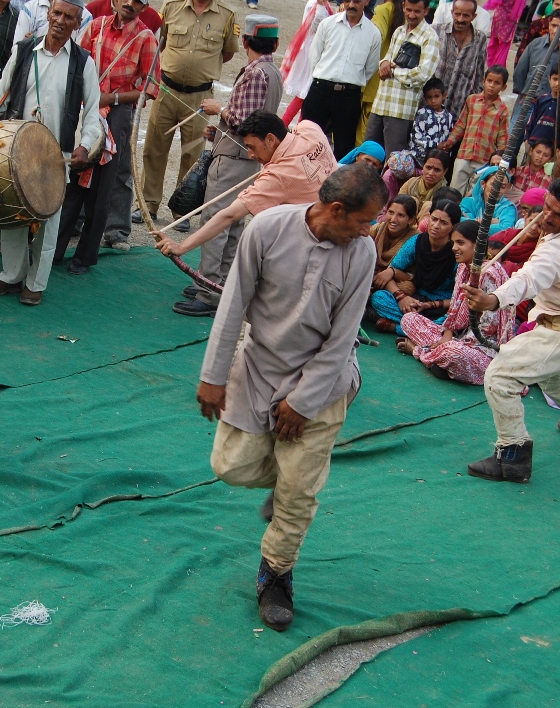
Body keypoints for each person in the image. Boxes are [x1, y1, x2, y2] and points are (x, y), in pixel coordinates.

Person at [197, 163, 385, 631]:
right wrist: (213, 375)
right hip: (259, 366)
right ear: (336, 210)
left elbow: (343, 340)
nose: (368, 231)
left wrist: (303, 401)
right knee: (231, 466)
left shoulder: (361, 252)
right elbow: (234, 303)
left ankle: (276, 573)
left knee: (300, 489)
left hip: (326, 382)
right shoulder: (268, 228)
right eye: (363, 221)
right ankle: (287, 490)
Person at [463, 169, 560, 483]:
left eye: (557, 215)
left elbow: (527, 280)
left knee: (500, 377)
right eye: (546, 205)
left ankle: (514, 454)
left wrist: (492, 300)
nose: (546, 216)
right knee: (555, 381)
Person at [0, 0, 100, 306]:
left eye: (68, 17)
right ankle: (11, 275)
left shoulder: (84, 63)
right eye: (56, 13)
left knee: (48, 220)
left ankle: (36, 282)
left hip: (56, 154)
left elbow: (93, 114)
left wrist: (85, 145)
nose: (59, 21)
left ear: (77, 22)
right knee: (15, 211)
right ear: (48, 13)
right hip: (17, 147)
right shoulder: (26, 49)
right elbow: (2, 87)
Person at [161, 19, 284, 316]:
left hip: (234, 160)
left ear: (245, 43)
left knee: (216, 223)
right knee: (232, 225)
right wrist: (220, 130)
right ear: (276, 45)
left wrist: (220, 111)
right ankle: (219, 284)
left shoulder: (255, 72)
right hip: (245, 157)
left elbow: (248, 123)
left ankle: (208, 291)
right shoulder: (273, 72)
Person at [53, 0, 158, 276]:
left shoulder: (146, 38)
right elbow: (76, 62)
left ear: (143, 6)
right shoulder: (96, 27)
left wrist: (111, 97)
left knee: (101, 188)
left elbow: (150, 88)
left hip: (117, 114)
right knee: (72, 178)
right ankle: (56, 250)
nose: (129, 3)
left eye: (137, 0)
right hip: (85, 107)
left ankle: (84, 257)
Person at [152, 113, 339, 280]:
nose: (250, 154)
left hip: (312, 251)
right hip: (340, 232)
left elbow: (229, 215)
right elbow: (293, 130)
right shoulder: (310, 129)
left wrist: (181, 247)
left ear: (271, 139)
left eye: (252, 147)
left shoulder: (276, 177)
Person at [138, 0, 237, 224]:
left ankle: (182, 211)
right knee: (154, 149)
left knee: (192, 155)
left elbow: (226, 53)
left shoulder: (227, 16)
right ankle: (148, 204)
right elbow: (160, 41)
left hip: (199, 98)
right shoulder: (170, 6)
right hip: (166, 91)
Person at [399, 220, 515, 384]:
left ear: (477, 245)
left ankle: (418, 351)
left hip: (483, 348)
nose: (454, 248)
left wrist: (453, 342)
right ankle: (439, 360)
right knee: (409, 319)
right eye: (453, 243)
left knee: (452, 352)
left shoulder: (489, 273)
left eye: (460, 243)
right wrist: (448, 334)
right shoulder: (462, 268)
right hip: (458, 338)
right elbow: (453, 311)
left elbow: (489, 328)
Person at [297, 0, 380, 160]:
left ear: (366, 0)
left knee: (343, 147)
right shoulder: (328, 24)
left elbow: (370, 69)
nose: (351, 5)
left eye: (357, 0)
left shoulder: (373, 33)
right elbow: (315, 57)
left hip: (348, 97)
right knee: (305, 141)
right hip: (321, 90)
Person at [370, 200, 462, 334]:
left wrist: (430, 305)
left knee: (451, 320)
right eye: (434, 219)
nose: (436, 226)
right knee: (379, 298)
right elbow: (390, 273)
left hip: (441, 306)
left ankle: (397, 327)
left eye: (444, 223)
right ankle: (423, 329)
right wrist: (401, 297)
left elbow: (460, 299)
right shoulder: (416, 242)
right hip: (415, 301)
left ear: (453, 226)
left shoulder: (456, 252)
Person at [366, 0, 438, 156]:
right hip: (381, 103)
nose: (412, 15)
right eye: (409, 10)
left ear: (426, 11)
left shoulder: (429, 36)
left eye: (417, 11)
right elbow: (387, 59)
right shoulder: (399, 31)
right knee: (368, 153)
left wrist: (393, 71)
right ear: (404, 6)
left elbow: (423, 74)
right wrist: (385, 64)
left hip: (401, 109)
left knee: (393, 159)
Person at [278, 0, 337, 126]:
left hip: (315, 49)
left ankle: (295, 125)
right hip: (311, 50)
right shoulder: (315, 2)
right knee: (306, 92)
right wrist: (320, 7)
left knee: (307, 93)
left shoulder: (322, 1)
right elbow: (315, 26)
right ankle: (287, 124)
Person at [439, 66, 509, 194]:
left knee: (473, 194)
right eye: (489, 81)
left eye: (497, 83)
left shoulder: (502, 109)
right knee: (454, 190)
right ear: (483, 81)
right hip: (464, 154)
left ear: (503, 87)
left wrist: (499, 156)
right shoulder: (472, 100)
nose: (492, 85)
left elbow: (502, 138)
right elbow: (461, 125)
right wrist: (450, 141)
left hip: (484, 158)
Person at [357, 0, 403, 146]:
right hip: (388, 68)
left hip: (376, 68)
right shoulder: (398, 9)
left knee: (364, 120)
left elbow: (377, 36)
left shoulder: (382, 9)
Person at [433, 0, 488, 121]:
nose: (460, 19)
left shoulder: (480, 39)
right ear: (452, 13)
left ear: (474, 17)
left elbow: (479, 74)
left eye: (466, 16)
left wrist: (475, 102)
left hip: (458, 110)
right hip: (430, 105)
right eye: (457, 14)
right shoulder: (436, 31)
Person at [513, 9, 560, 102]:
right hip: (527, 99)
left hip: (551, 104)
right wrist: (522, 93)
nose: (556, 30)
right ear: (549, 25)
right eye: (553, 25)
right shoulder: (535, 44)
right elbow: (521, 70)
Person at [515, 0, 560, 65]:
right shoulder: (537, 25)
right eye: (557, 4)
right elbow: (523, 49)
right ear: (552, 4)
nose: (559, 8)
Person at [524, 62, 560, 148]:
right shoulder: (541, 99)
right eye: (555, 79)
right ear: (549, 79)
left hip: (553, 147)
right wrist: (527, 139)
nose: (557, 84)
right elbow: (531, 121)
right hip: (534, 143)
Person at [485, 0, 528, 67]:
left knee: (493, 40)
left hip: (499, 16)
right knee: (504, 44)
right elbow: (522, 5)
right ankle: (498, 66)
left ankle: (490, 64)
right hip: (510, 18)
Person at [407, 78, 453, 168]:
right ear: (425, 98)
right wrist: (435, 145)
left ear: (444, 95)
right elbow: (417, 137)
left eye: (436, 96)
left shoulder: (448, 116)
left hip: (438, 160)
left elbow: (449, 136)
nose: (433, 101)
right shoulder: (423, 114)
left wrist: (446, 146)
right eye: (429, 97)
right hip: (419, 158)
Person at [370, 194, 418, 280]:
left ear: (411, 220)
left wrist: (393, 272)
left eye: (400, 215)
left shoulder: (416, 240)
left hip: (397, 280)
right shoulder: (377, 229)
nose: (393, 219)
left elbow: (413, 275)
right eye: (391, 212)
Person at [459, 166, 519, 234]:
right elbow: (458, 220)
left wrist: (474, 222)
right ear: (483, 184)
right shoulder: (468, 202)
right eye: (493, 185)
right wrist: (488, 222)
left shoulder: (508, 207)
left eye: (502, 187)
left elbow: (505, 230)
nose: (497, 190)